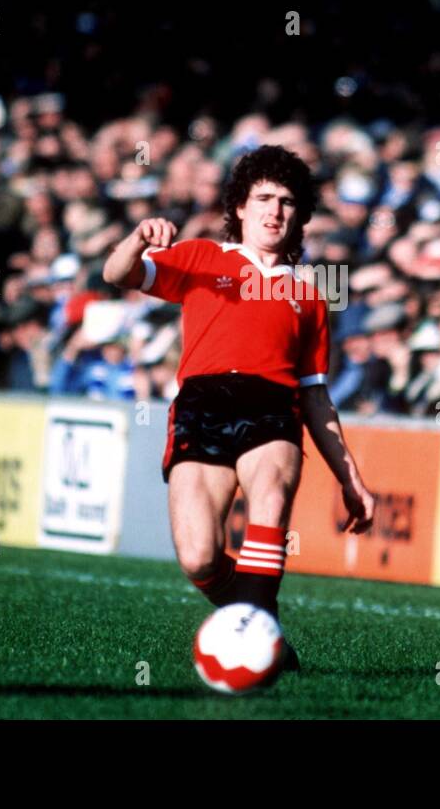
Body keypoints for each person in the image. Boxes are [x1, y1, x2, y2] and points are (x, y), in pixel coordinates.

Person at [102, 144, 376, 672]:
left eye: (288, 202)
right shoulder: (203, 257)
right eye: (265, 198)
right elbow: (118, 274)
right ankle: (262, 631)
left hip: (273, 405)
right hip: (202, 404)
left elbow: (316, 396)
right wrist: (137, 238)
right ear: (241, 208)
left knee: (269, 496)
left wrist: (351, 478)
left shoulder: (312, 295)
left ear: (300, 216)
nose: (275, 211)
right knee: (199, 557)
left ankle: (256, 645)